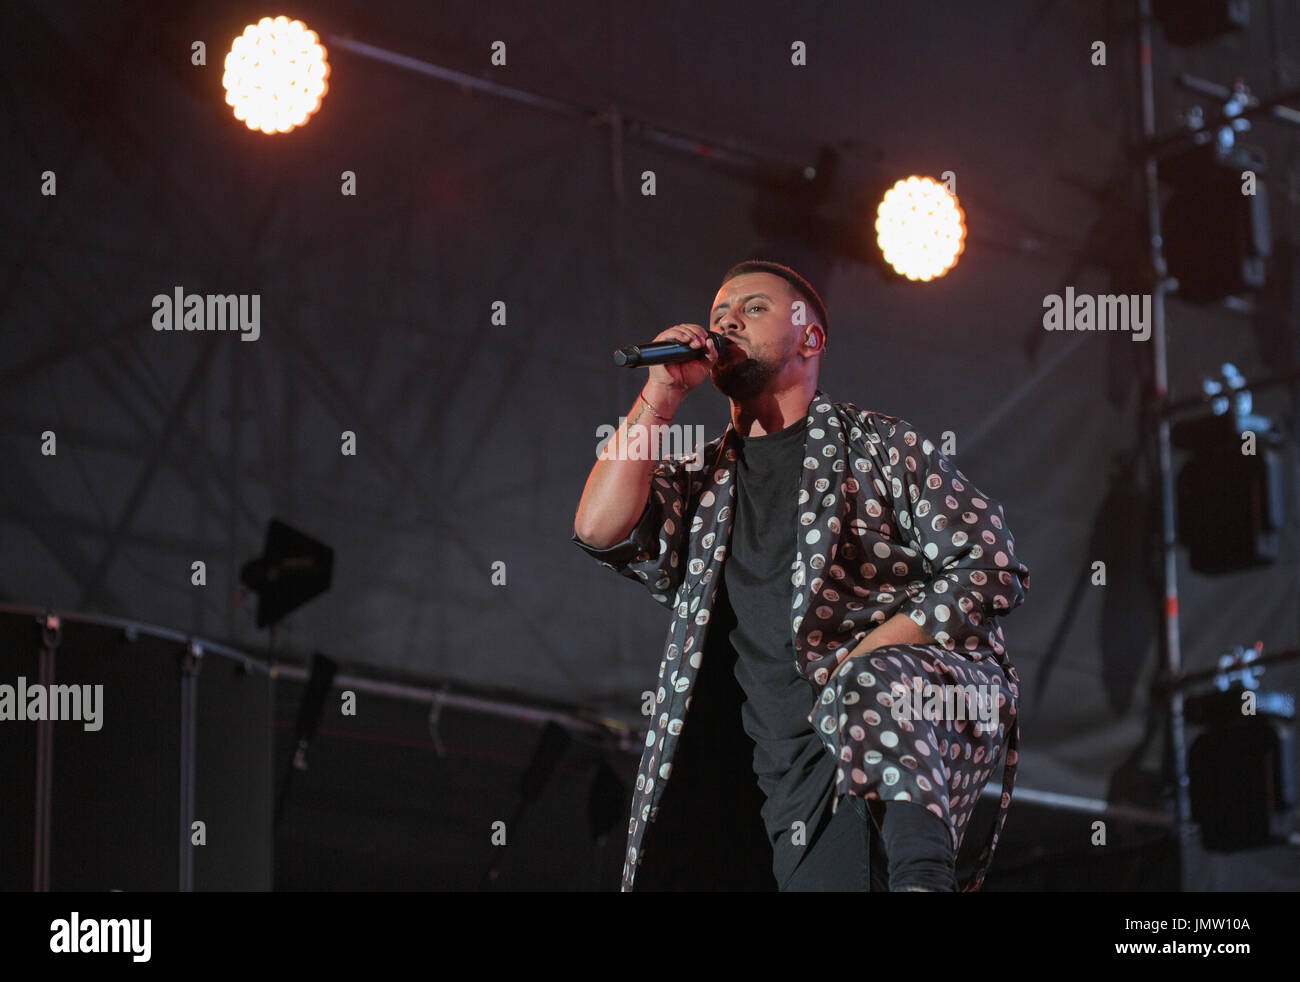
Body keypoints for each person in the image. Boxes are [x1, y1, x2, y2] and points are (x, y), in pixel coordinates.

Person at [572, 260, 1030, 892]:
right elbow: (600, 527)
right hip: (761, 776)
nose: (727, 319)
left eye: (753, 308)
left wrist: (864, 661)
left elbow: (989, 564)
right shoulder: (704, 481)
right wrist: (662, 395)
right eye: (719, 314)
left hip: (873, 750)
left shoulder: (879, 447)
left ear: (810, 339)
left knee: (873, 686)